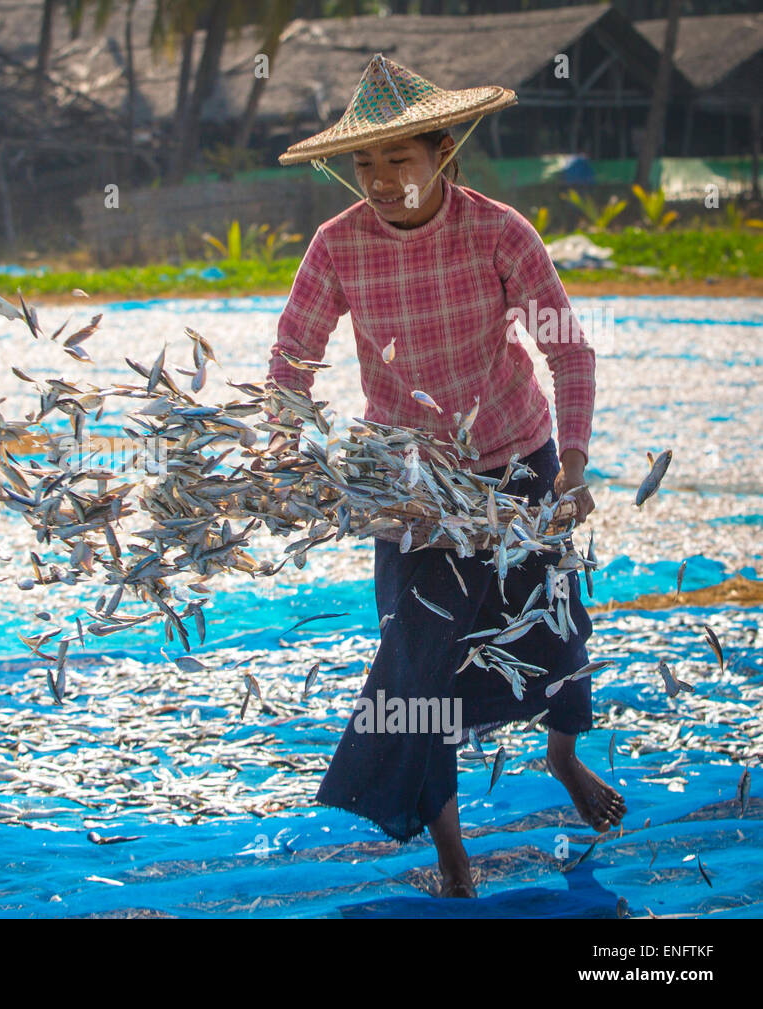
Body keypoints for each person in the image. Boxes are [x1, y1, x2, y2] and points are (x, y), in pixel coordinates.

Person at [267, 54, 625, 898]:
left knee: (555, 633)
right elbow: (291, 361)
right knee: (418, 667)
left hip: (516, 462)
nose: (381, 181)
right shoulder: (338, 244)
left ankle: (563, 754)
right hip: (411, 486)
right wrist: (297, 450)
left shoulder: (499, 232)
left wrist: (571, 464)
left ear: (444, 154)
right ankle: (454, 857)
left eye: (400, 159)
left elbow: (566, 348)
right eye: (365, 164)